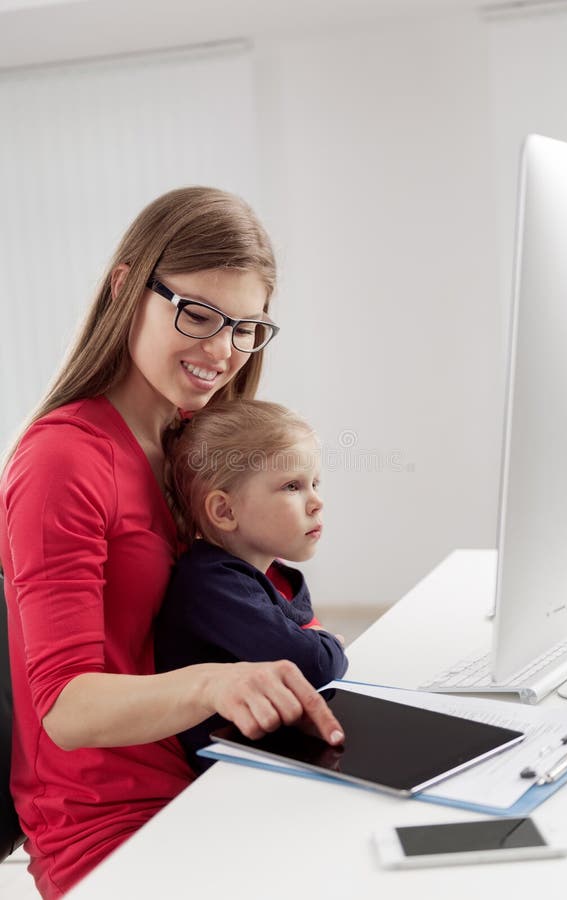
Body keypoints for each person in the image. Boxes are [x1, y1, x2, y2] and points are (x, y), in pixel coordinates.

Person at [0, 187, 344, 900]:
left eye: (246, 326)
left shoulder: (190, 447)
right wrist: (218, 683)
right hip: (110, 824)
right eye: (197, 314)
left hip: (211, 776)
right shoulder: (64, 459)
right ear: (127, 287)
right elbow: (64, 708)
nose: (221, 351)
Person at [155, 399, 349, 770]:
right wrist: (330, 643)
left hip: (270, 749)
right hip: (230, 774)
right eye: (292, 486)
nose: (316, 502)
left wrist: (318, 639)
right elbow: (314, 663)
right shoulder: (211, 584)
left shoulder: (262, 574)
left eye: (314, 483)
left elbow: (304, 631)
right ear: (225, 511)